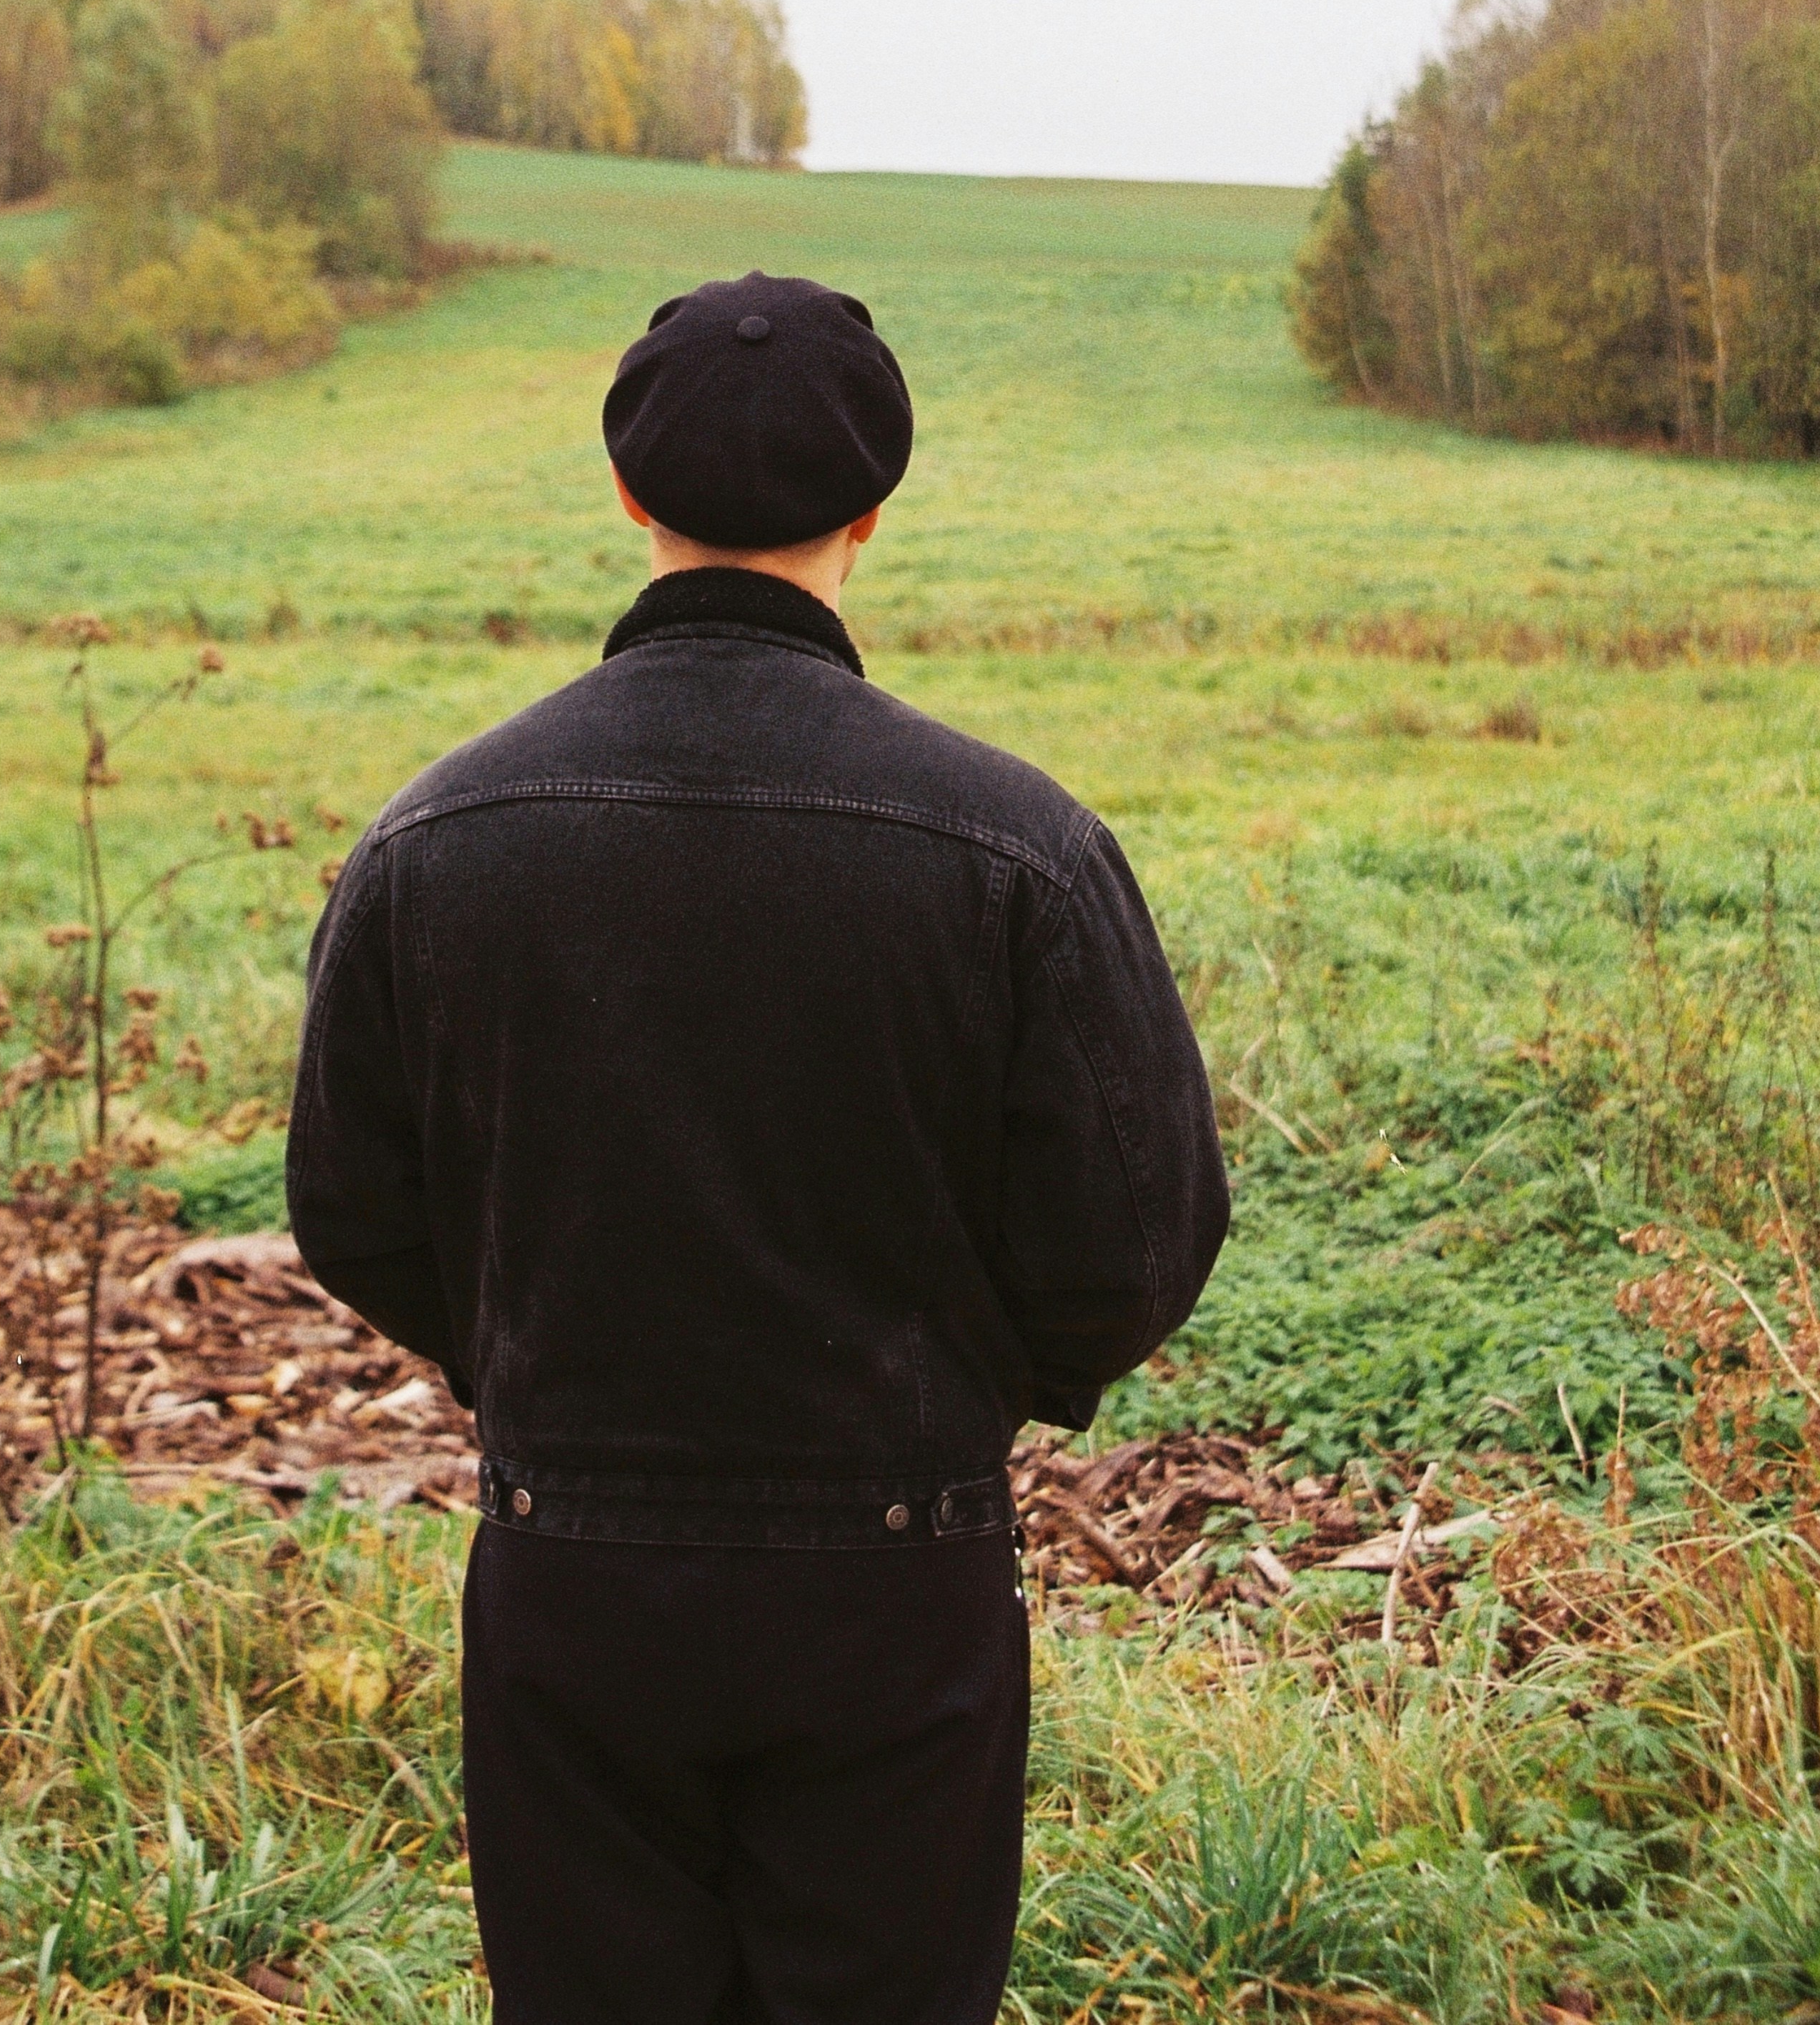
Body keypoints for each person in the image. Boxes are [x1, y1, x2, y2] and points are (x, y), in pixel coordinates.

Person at [286, 269, 1228, 2025]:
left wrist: (523, 1365)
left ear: (629, 494)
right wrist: (962, 1389)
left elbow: (351, 1206)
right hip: (898, 1571)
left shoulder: (438, 835)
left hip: (571, 1565)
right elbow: (1139, 1231)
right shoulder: (1020, 848)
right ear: (873, 507)